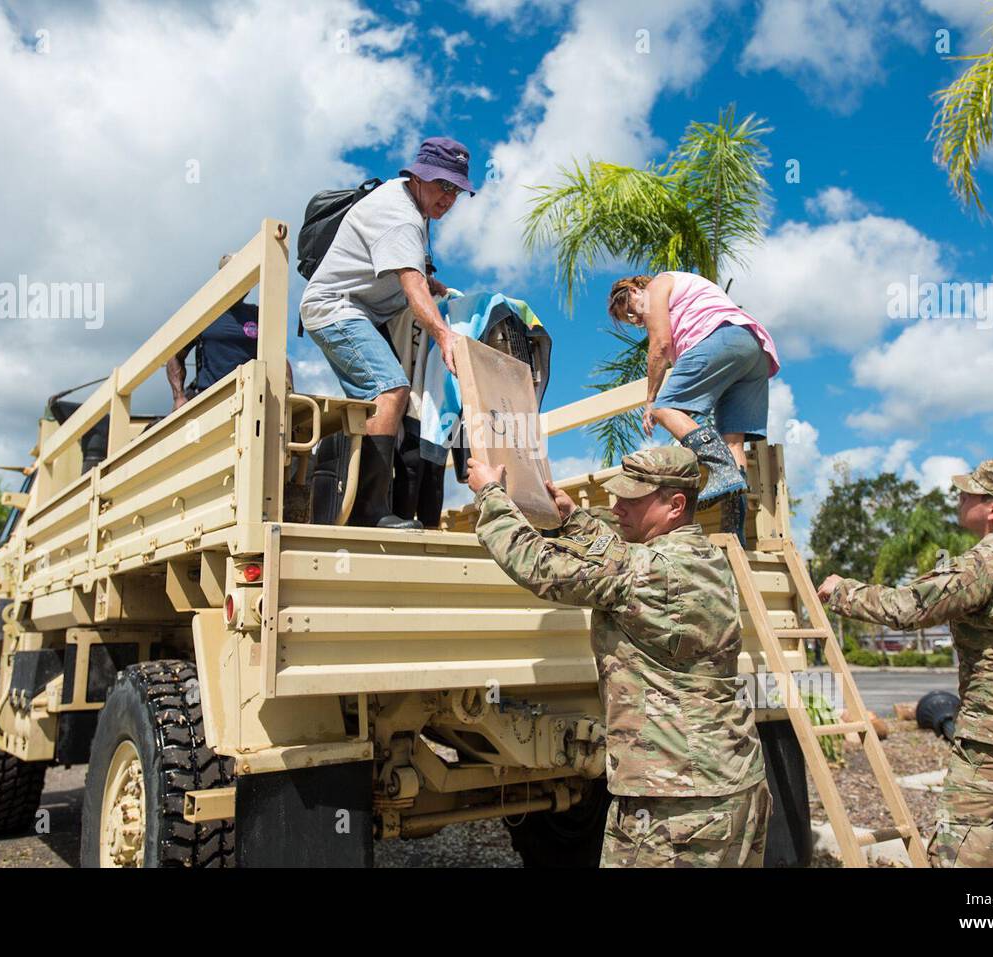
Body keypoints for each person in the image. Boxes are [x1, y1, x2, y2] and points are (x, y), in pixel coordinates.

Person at [466, 447, 770, 867]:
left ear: (675, 505)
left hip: (674, 804)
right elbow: (622, 562)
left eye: (632, 499)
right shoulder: (707, 559)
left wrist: (491, 496)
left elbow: (539, 566)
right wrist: (576, 521)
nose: (617, 506)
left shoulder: (642, 570)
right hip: (736, 783)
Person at [817, 459, 993, 868]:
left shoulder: (986, 564)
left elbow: (908, 607)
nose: (961, 496)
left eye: (971, 491)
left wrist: (839, 590)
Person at [300, 136, 474, 529]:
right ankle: (369, 511)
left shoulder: (416, 207)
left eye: (457, 190)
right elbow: (410, 283)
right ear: (417, 175)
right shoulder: (400, 213)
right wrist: (445, 336)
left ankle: (360, 501)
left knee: (390, 403)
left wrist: (435, 285)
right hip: (336, 308)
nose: (449, 197)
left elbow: (412, 274)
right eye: (442, 185)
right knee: (390, 388)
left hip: (365, 313)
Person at [607, 272, 779, 541]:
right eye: (630, 321)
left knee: (665, 409)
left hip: (718, 338)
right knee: (733, 442)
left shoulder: (656, 286)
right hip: (752, 347)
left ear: (635, 290)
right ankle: (735, 531)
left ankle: (721, 469)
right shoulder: (686, 291)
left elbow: (660, 345)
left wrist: (651, 400)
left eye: (629, 310)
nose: (636, 320)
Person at [167, 253, 292, 408]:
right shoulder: (203, 315)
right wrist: (178, 397)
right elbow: (175, 357)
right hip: (210, 401)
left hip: (252, 400)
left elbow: (278, 356)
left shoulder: (258, 314)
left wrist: (288, 393)